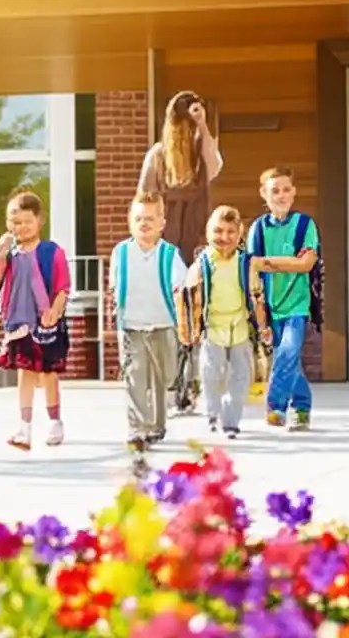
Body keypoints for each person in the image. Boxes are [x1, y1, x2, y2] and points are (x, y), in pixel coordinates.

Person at [0, 190, 71, 450]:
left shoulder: (51, 252)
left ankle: (55, 421)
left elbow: (63, 286)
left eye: (26, 222)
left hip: (46, 322)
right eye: (15, 222)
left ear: (39, 221)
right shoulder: (9, 255)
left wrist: (56, 309)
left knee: (49, 372)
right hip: (18, 324)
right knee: (26, 372)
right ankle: (25, 426)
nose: (21, 227)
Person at [176, 206, 270, 439]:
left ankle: (231, 420)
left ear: (239, 234)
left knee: (241, 376)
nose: (224, 237)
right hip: (212, 328)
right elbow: (188, 299)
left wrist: (262, 327)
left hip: (239, 327)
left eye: (230, 232)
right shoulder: (203, 264)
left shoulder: (245, 264)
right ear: (208, 232)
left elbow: (257, 297)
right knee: (210, 374)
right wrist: (188, 329)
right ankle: (213, 414)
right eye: (218, 231)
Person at [109, 192, 187, 452]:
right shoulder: (121, 253)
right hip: (132, 325)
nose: (144, 224)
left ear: (161, 223)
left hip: (164, 324)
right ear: (130, 222)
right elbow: (115, 287)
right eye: (139, 218)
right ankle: (137, 429)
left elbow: (180, 286)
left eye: (150, 219)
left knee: (162, 378)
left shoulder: (169, 254)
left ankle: (156, 424)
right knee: (135, 377)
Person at [248, 167, 321, 431]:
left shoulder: (304, 225)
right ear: (263, 194)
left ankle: (276, 406)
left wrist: (269, 262)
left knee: (288, 351)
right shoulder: (257, 228)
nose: (281, 195)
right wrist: (286, 263)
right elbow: (253, 266)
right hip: (270, 306)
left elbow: (306, 265)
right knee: (288, 359)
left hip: (298, 305)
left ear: (294, 192)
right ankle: (302, 408)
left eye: (286, 189)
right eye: (274, 190)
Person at [137, 90, 223, 266]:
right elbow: (144, 199)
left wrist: (202, 124)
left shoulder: (199, 155)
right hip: (163, 239)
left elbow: (215, 166)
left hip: (196, 234)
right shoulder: (157, 156)